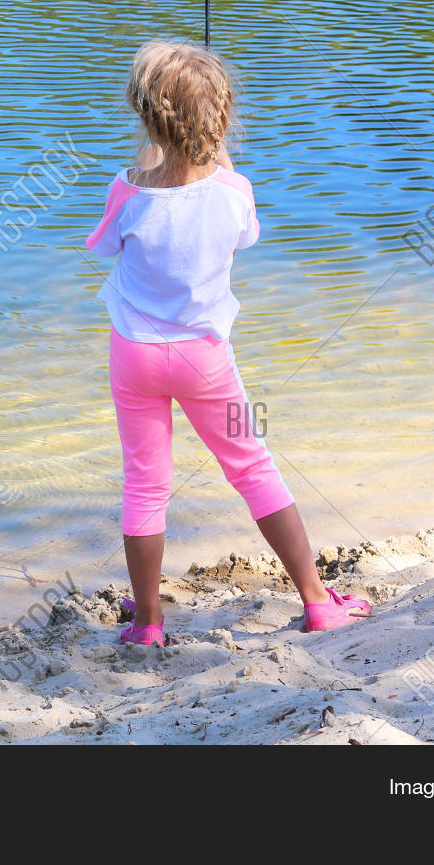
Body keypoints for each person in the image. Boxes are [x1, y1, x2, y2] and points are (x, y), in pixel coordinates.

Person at [86, 40, 370, 646]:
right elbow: (245, 237)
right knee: (252, 468)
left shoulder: (128, 190)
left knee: (145, 482)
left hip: (135, 351)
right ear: (219, 120)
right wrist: (218, 165)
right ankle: (318, 601)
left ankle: (148, 624)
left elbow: (105, 246)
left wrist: (152, 166)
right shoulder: (233, 191)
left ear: (145, 117)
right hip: (204, 358)